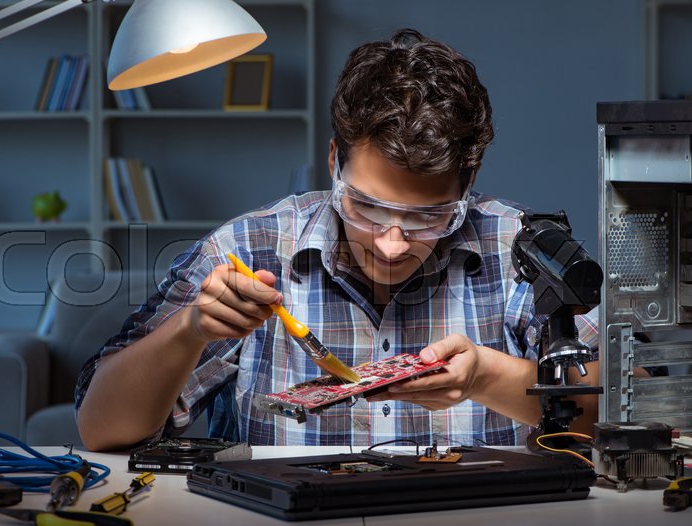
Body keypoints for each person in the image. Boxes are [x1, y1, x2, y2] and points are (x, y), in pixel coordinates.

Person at [75, 29, 599, 452]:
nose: (393, 244)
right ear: (334, 162)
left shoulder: (521, 247)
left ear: (469, 178)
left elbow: (623, 412)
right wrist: (189, 330)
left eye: (429, 217)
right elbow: (100, 429)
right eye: (367, 207)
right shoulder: (251, 245)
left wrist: (487, 377)